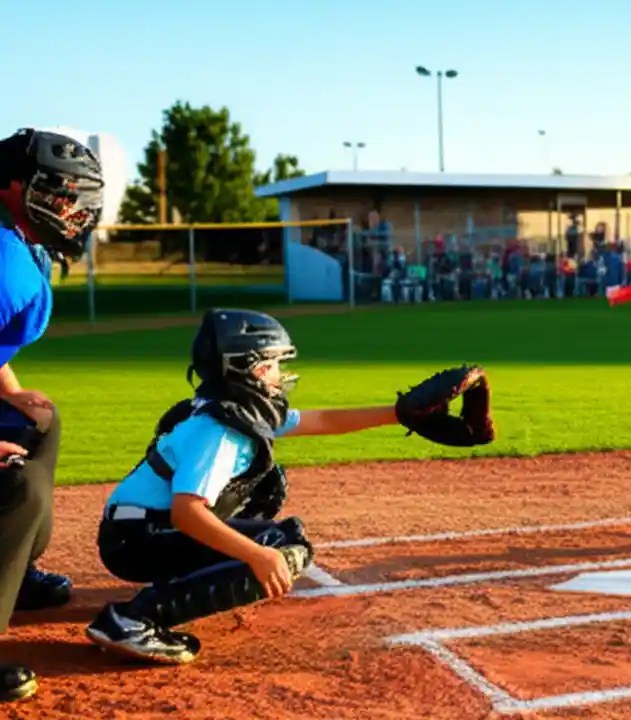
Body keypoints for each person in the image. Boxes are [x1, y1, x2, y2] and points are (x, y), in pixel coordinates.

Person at [85, 308, 497, 664]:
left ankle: (195, 579)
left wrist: (400, 414)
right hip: (139, 537)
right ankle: (134, 619)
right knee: (281, 551)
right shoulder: (221, 432)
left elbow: (323, 421)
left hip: (140, 528)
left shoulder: (234, 407)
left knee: (272, 496)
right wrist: (256, 557)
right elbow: (186, 512)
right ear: (251, 367)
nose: (281, 375)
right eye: (274, 364)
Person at [0, 128, 103, 704]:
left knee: (37, 420)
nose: (72, 209)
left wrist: (9, 390)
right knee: (16, 489)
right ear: (16, 187)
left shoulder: (13, 243)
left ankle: (14, 578)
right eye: (62, 193)